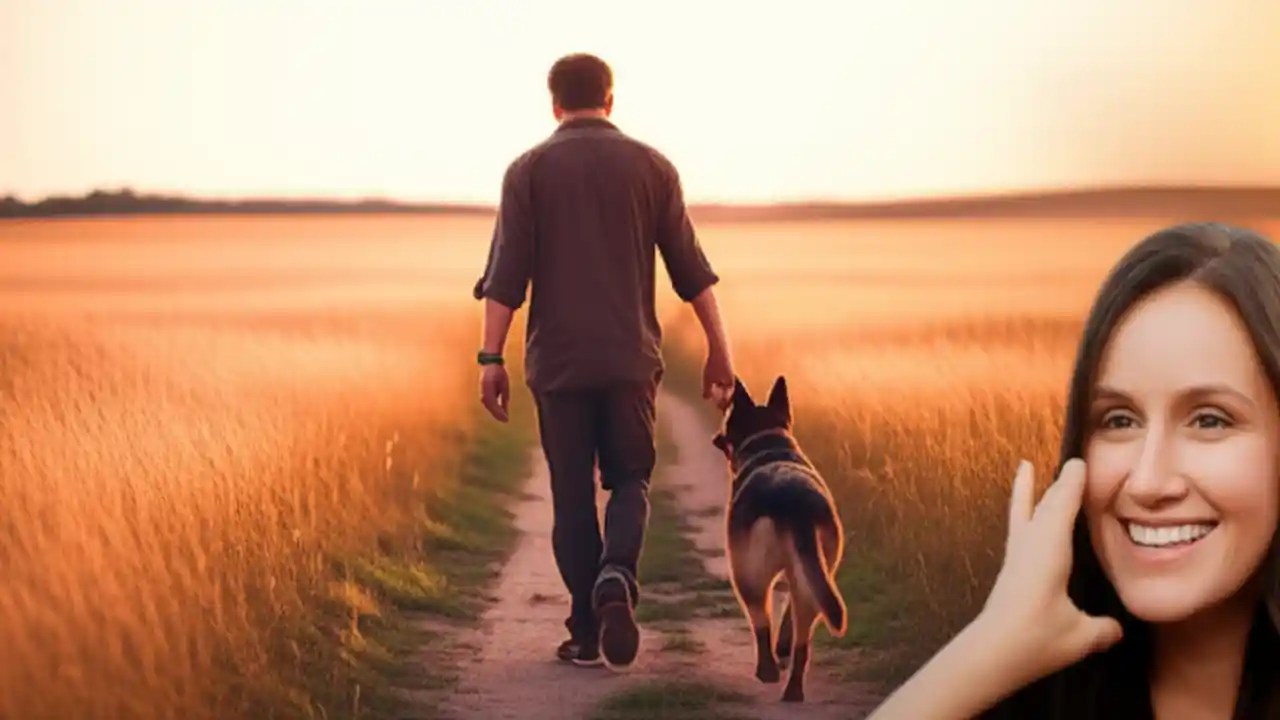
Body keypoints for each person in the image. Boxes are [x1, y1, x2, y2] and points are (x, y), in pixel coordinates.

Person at [868, 222, 1280, 719]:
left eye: (1210, 420)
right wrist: (991, 648)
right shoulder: (1026, 695)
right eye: (1119, 420)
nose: (1148, 481)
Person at [471, 52, 736, 671]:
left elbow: (506, 281)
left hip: (558, 367)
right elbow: (691, 273)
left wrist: (490, 359)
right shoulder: (653, 167)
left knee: (570, 495)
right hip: (629, 362)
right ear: (611, 101)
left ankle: (587, 632)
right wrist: (720, 349)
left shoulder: (526, 172)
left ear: (554, 104)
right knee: (630, 481)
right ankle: (616, 575)